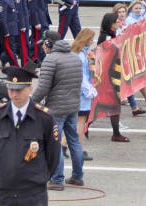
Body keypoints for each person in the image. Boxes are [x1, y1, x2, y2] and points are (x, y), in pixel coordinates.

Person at [0, 65, 60, 206]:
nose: (15, 94)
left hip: (33, 192)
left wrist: (38, 177)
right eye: (11, 89)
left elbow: (53, 156)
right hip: (4, 190)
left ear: (30, 88)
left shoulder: (44, 118)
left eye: (19, 90)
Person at [30, 29, 84, 190]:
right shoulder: (74, 57)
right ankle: (77, 176)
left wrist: (31, 103)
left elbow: (43, 87)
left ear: (48, 44)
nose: (42, 48)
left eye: (43, 45)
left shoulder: (50, 60)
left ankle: (57, 179)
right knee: (74, 140)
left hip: (56, 108)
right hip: (73, 106)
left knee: (54, 144)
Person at [70, 28, 97, 161]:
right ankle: (79, 150)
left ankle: (68, 146)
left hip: (78, 92)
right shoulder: (81, 55)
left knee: (78, 123)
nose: (92, 41)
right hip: (82, 94)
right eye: (91, 39)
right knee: (80, 123)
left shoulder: (79, 53)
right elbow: (82, 76)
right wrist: (89, 89)